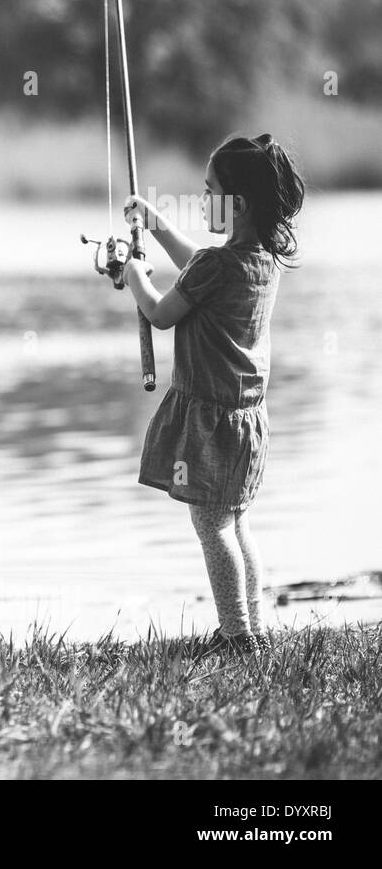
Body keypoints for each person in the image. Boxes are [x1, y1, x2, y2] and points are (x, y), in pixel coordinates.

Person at [121, 133, 304, 656]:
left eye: (209, 191)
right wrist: (152, 222)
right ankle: (252, 627)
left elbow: (160, 312)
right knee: (236, 524)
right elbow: (197, 264)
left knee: (211, 526)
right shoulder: (260, 260)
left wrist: (133, 274)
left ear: (237, 204)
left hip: (212, 423)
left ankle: (237, 635)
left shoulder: (216, 267)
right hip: (246, 422)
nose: (203, 200)